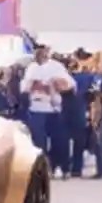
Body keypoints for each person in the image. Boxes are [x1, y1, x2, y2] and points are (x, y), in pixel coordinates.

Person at [21, 45, 73, 176]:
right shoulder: (31, 68)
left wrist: (54, 85)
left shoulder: (56, 67)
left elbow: (69, 85)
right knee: (38, 141)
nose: (39, 54)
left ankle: (60, 166)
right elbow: (24, 87)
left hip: (53, 109)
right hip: (36, 109)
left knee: (58, 141)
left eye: (42, 51)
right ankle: (41, 168)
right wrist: (31, 86)